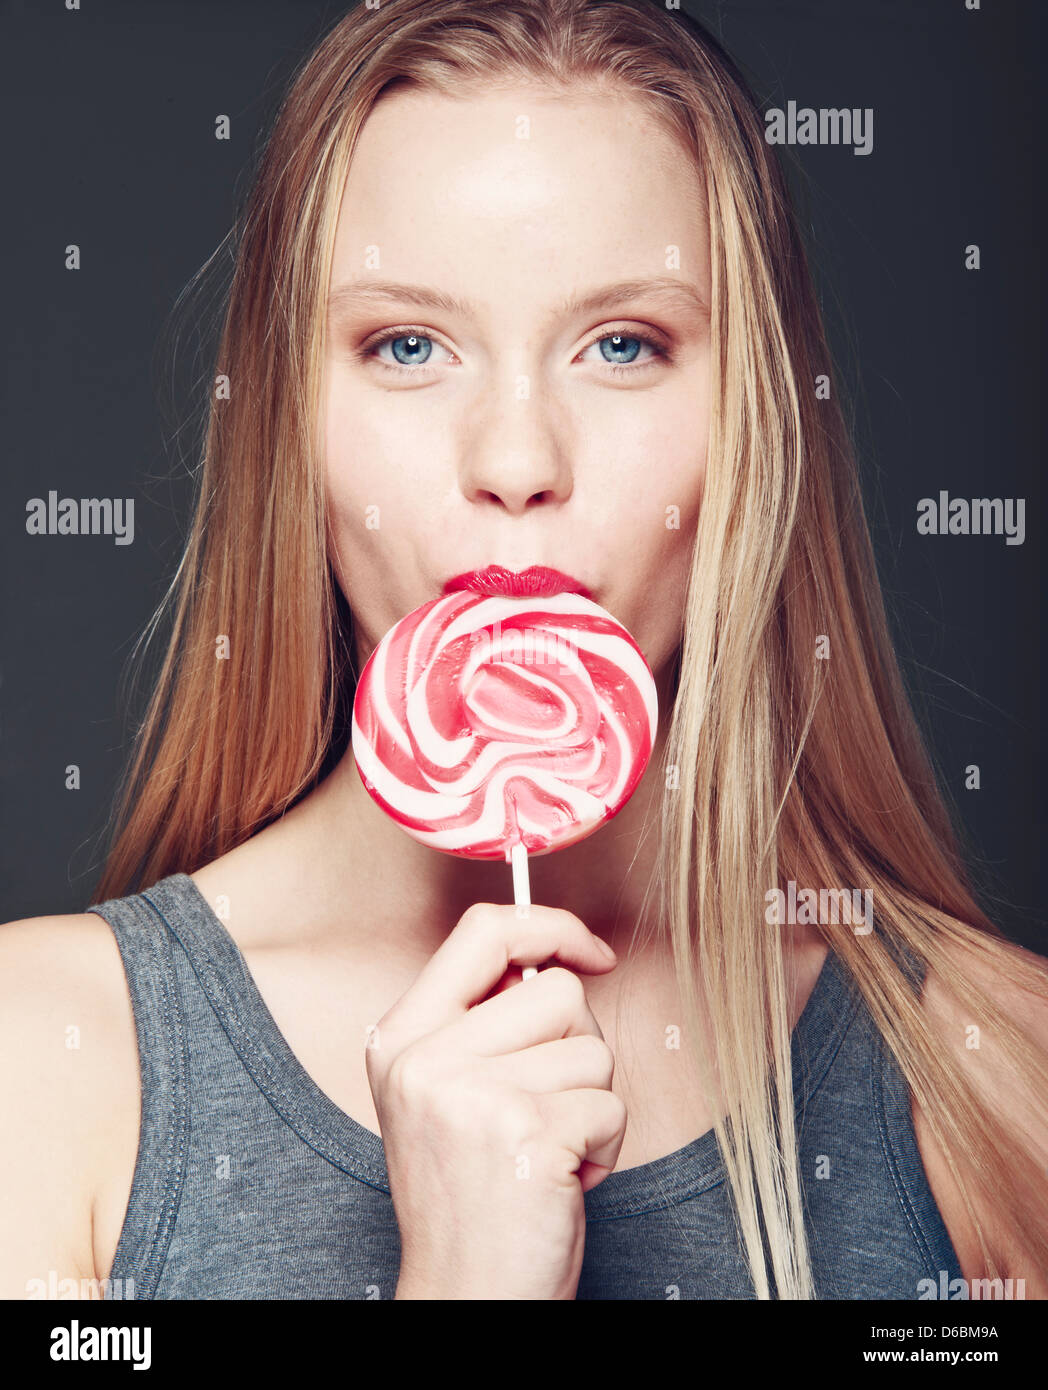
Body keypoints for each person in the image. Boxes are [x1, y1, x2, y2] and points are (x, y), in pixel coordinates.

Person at [2, 0, 1046, 1302]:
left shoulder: (1002, 1073)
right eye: (407, 345)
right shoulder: (42, 1062)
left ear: (756, 424)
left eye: (622, 345)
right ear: (290, 424)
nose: (514, 461)